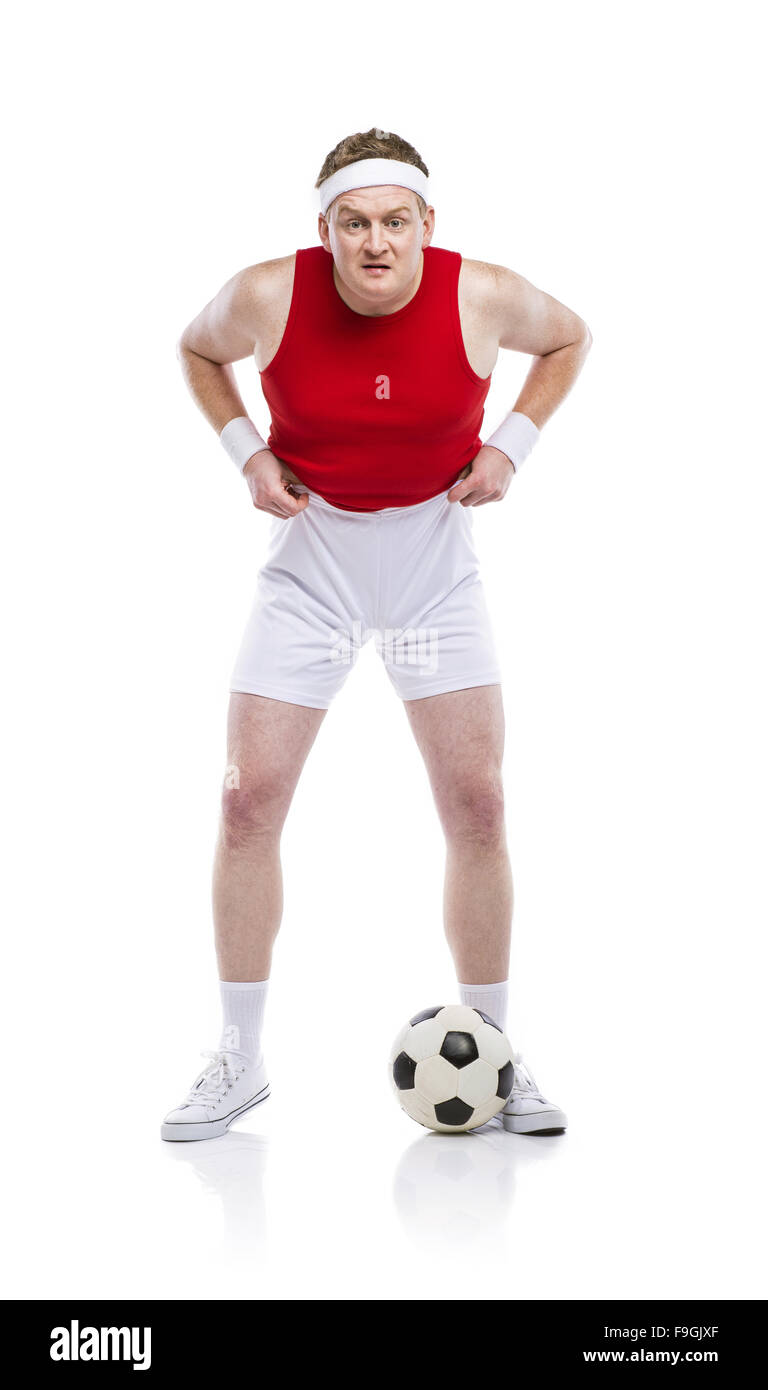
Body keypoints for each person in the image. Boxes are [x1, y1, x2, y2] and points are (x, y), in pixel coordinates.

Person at [161, 128, 592, 1142]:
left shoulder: (479, 294)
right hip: (314, 566)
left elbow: (570, 334)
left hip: (431, 568)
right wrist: (244, 454)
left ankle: (488, 1053)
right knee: (246, 803)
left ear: (426, 226)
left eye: (396, 222)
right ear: (326, 230)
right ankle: (238, 1055)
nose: (376, 243)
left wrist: (514, 444)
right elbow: (195, 346)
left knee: (478, 804)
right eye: (354, 223)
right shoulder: (269, 294)